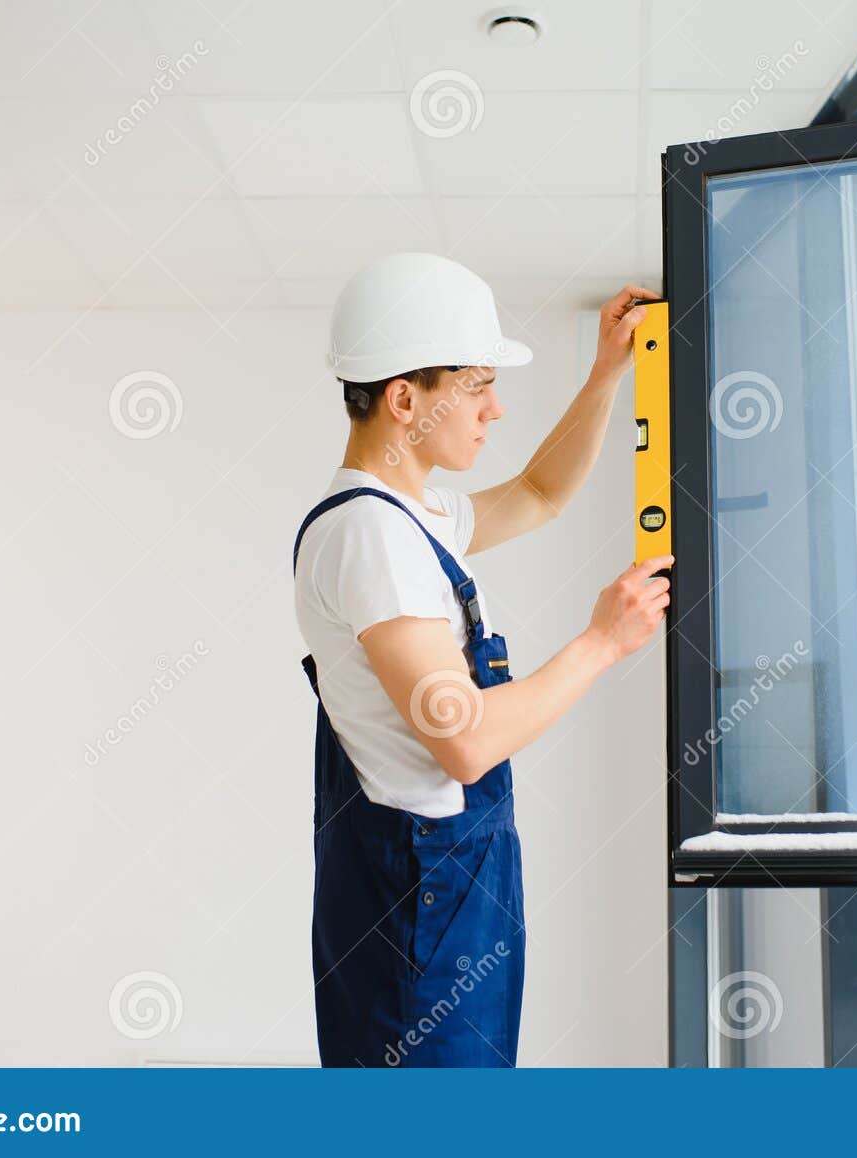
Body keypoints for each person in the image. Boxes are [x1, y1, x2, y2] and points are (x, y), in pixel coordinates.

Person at [292, 252, 670, 1067]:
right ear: (404, 400)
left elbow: (539, 493)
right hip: (421, 908)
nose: (494, 409)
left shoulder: (411, 515)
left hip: (446, 887)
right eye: (474, 385)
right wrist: (603, 642)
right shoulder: (371, 537)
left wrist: (608, 371)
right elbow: (461, 742)